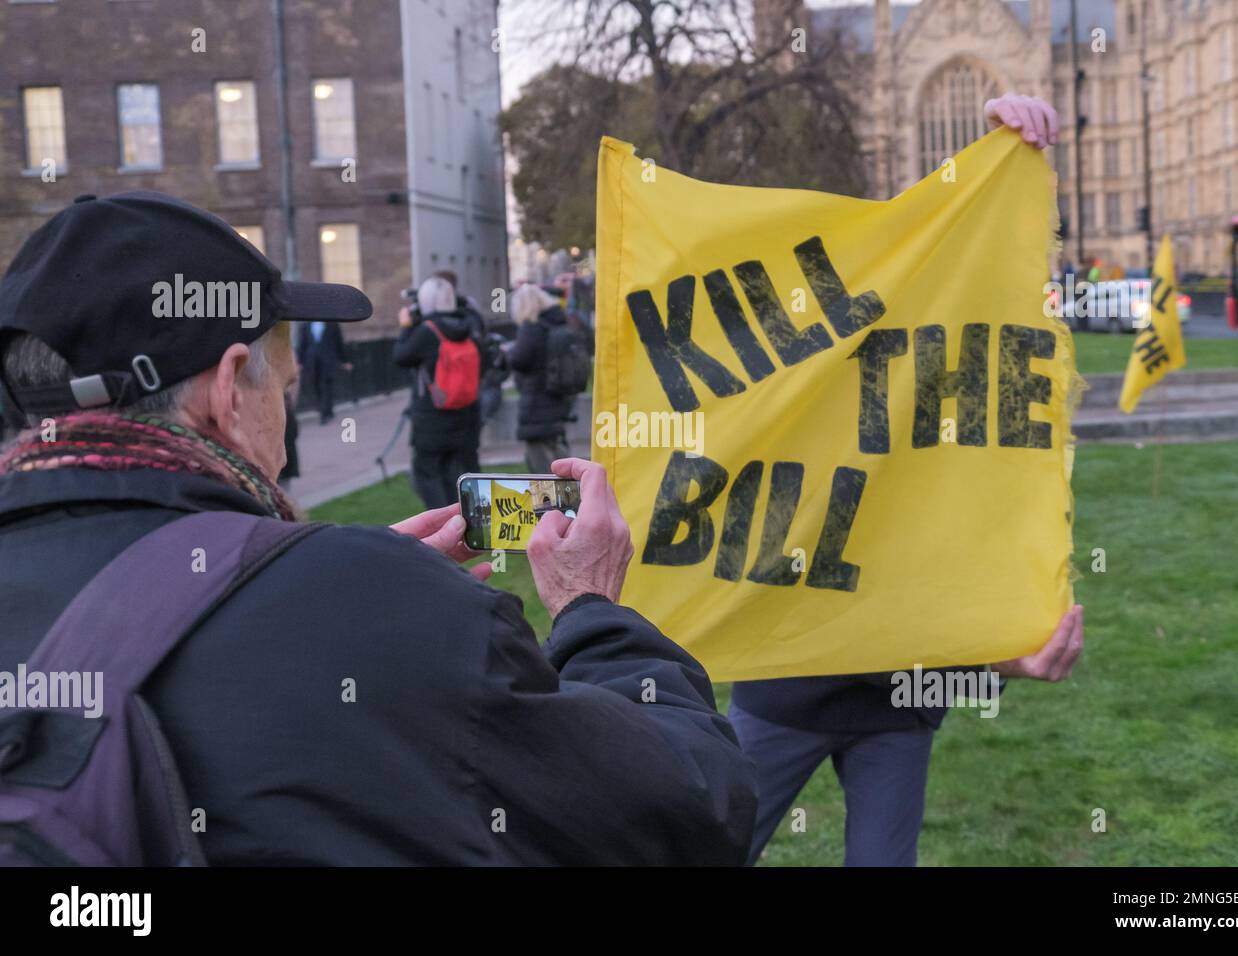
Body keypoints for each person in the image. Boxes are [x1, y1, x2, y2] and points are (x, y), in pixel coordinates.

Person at [0, 191, 757, 865]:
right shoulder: (368, 601)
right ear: (229, 389)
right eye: (287, 392)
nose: (289, 435)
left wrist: (307, 581)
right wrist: (594, 613)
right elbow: (687, 811)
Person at [730, 93, 1087, 868]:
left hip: (902, 701)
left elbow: (969, 535)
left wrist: (1007, 142)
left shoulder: (949, 386)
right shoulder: (782, 390)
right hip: (784, 689)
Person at [393, 277, 484, 508]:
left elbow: (401, 356)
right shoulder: (469, 326)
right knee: (460, 475)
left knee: (428, 473)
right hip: (465, 415)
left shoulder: (427, 332)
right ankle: (466, 525)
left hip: (432, 417)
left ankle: (442, 527)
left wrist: (405, 327)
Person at [508, 283, 593, 474]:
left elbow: (518, 359)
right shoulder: (560, 324)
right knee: (560, 460)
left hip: (537, 406)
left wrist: (508, 352)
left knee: (542, 468)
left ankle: (553, 504)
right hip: (559, 401)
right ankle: (572, 501)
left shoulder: (532, 328)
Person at [295, 318, 351, 424]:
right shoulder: (306, 325)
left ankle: (325, 413)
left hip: (328, 360)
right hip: (312, 361)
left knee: (326, 385)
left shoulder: (332, 324)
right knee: (316, 385)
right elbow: (302, 344)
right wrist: (299, 362)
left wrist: (345, 361)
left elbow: (339, 342)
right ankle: (325, 409)